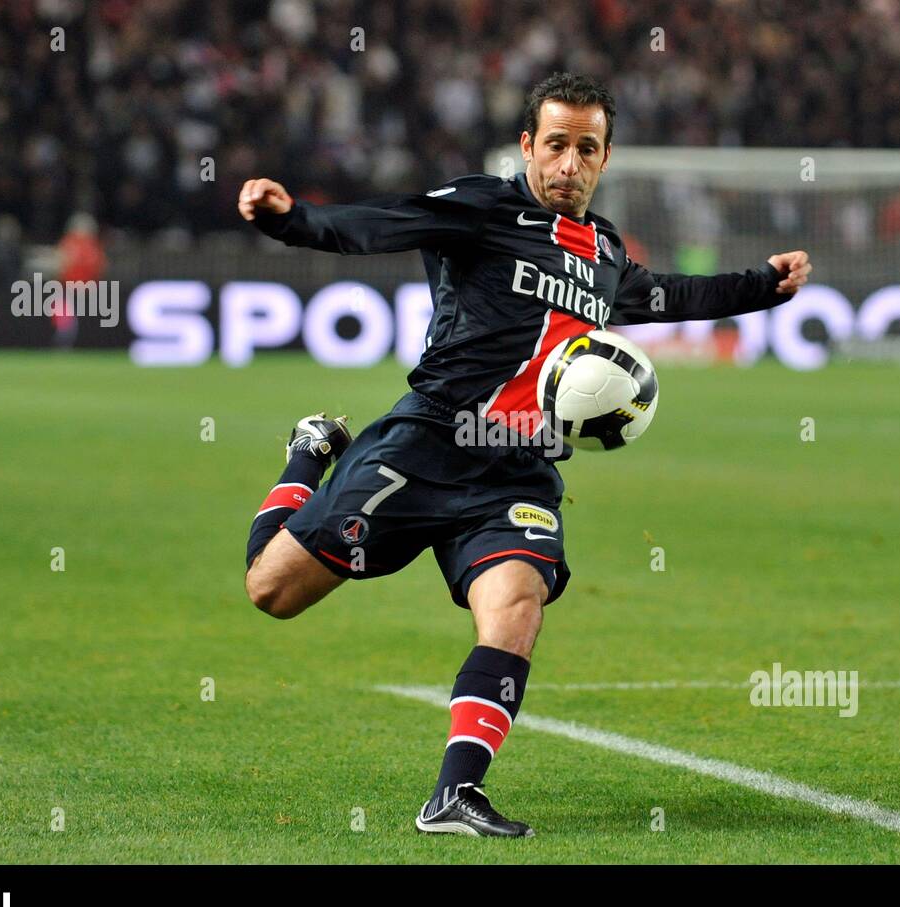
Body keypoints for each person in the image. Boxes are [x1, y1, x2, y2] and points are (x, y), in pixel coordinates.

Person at [237, 73, 811, 837]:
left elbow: (666, 295)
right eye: (556, 146)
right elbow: (387, 222)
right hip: (428, 444)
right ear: (527, 146)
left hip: (520, 469)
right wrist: (294, 221)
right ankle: (309, 455)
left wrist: (761, 287)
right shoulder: (482, 207)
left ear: (605, 158)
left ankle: (454, 795)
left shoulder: (604, 249)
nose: (569, 165)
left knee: (515, 607)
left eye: (587, 149)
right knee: (272, 589)